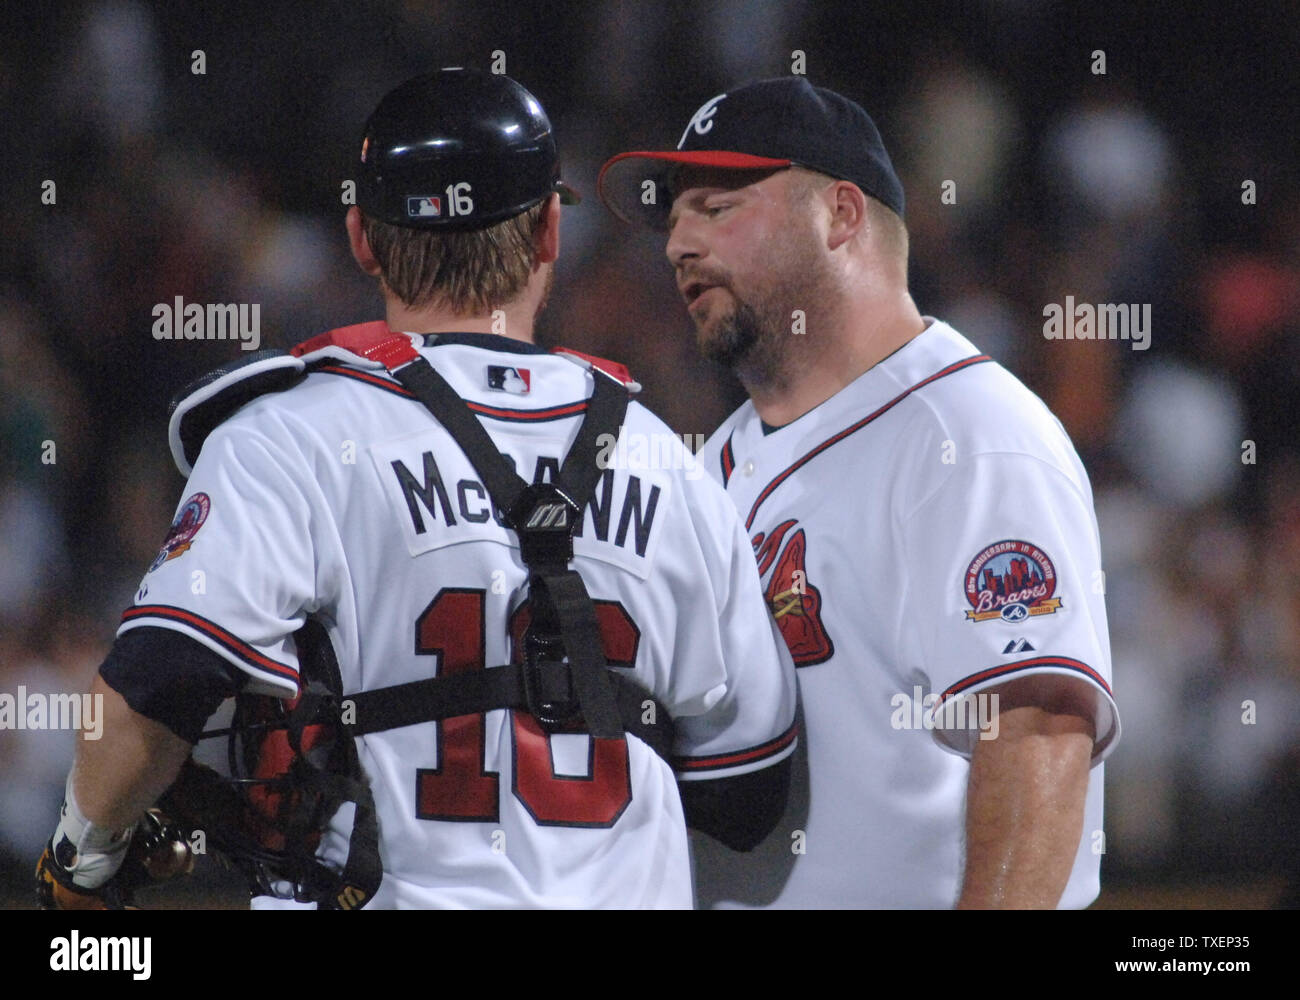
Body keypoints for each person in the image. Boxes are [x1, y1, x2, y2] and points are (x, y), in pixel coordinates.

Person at [35, 67, 797, 910]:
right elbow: (746, 793)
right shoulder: (671, 465)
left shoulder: (289, 437)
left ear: (362, 237)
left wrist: (80, 861)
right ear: (549, 231)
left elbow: (156, 683)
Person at [598, 76, 1121, 908]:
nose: (678, 244)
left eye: (718, 206)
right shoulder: (706, 468)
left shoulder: (966, 434)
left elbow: (1036, 731)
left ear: (842, 215)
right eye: (675, 217)